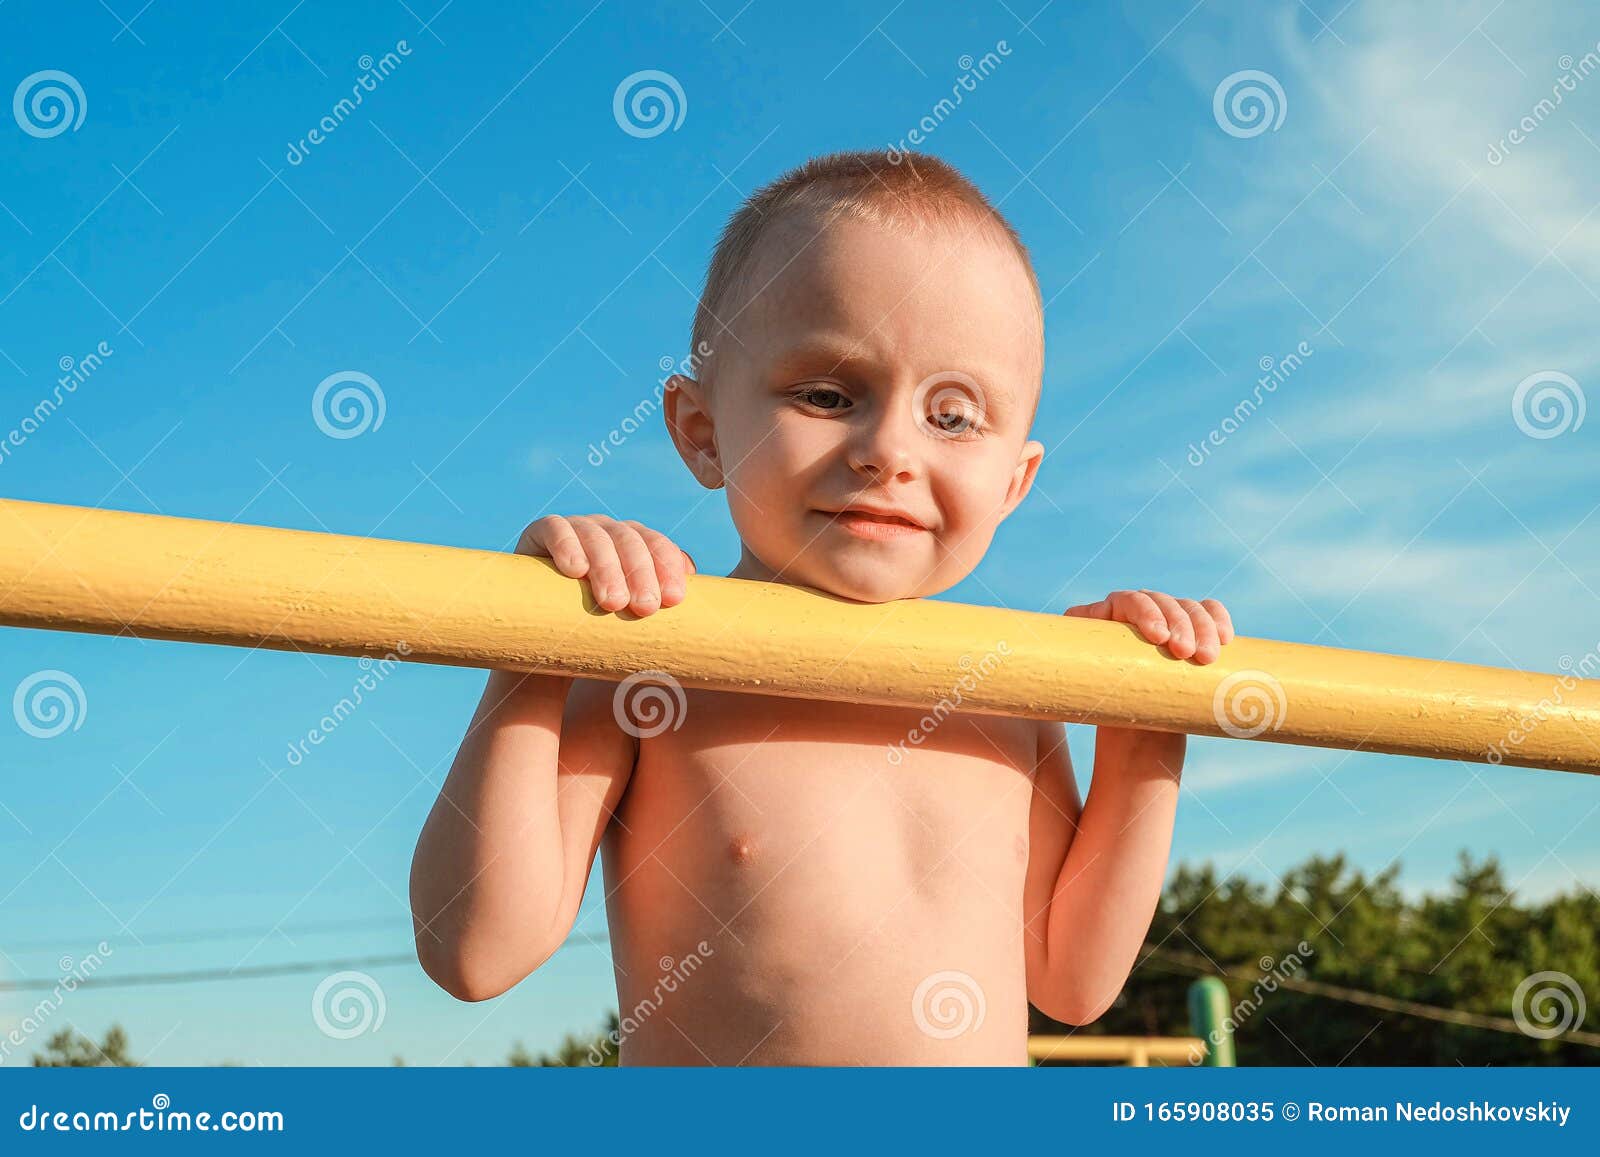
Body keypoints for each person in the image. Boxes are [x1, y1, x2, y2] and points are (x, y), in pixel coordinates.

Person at [409, 150, 1234, 1065]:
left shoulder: (1009, 686)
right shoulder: (652, 657)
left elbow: (1072, 980)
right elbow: (475, 951)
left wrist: (1147, 727)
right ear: (701, 429)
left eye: (953, 416)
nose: (888, 449)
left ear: (1015, 480)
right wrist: (534, 648)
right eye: (828, 395)